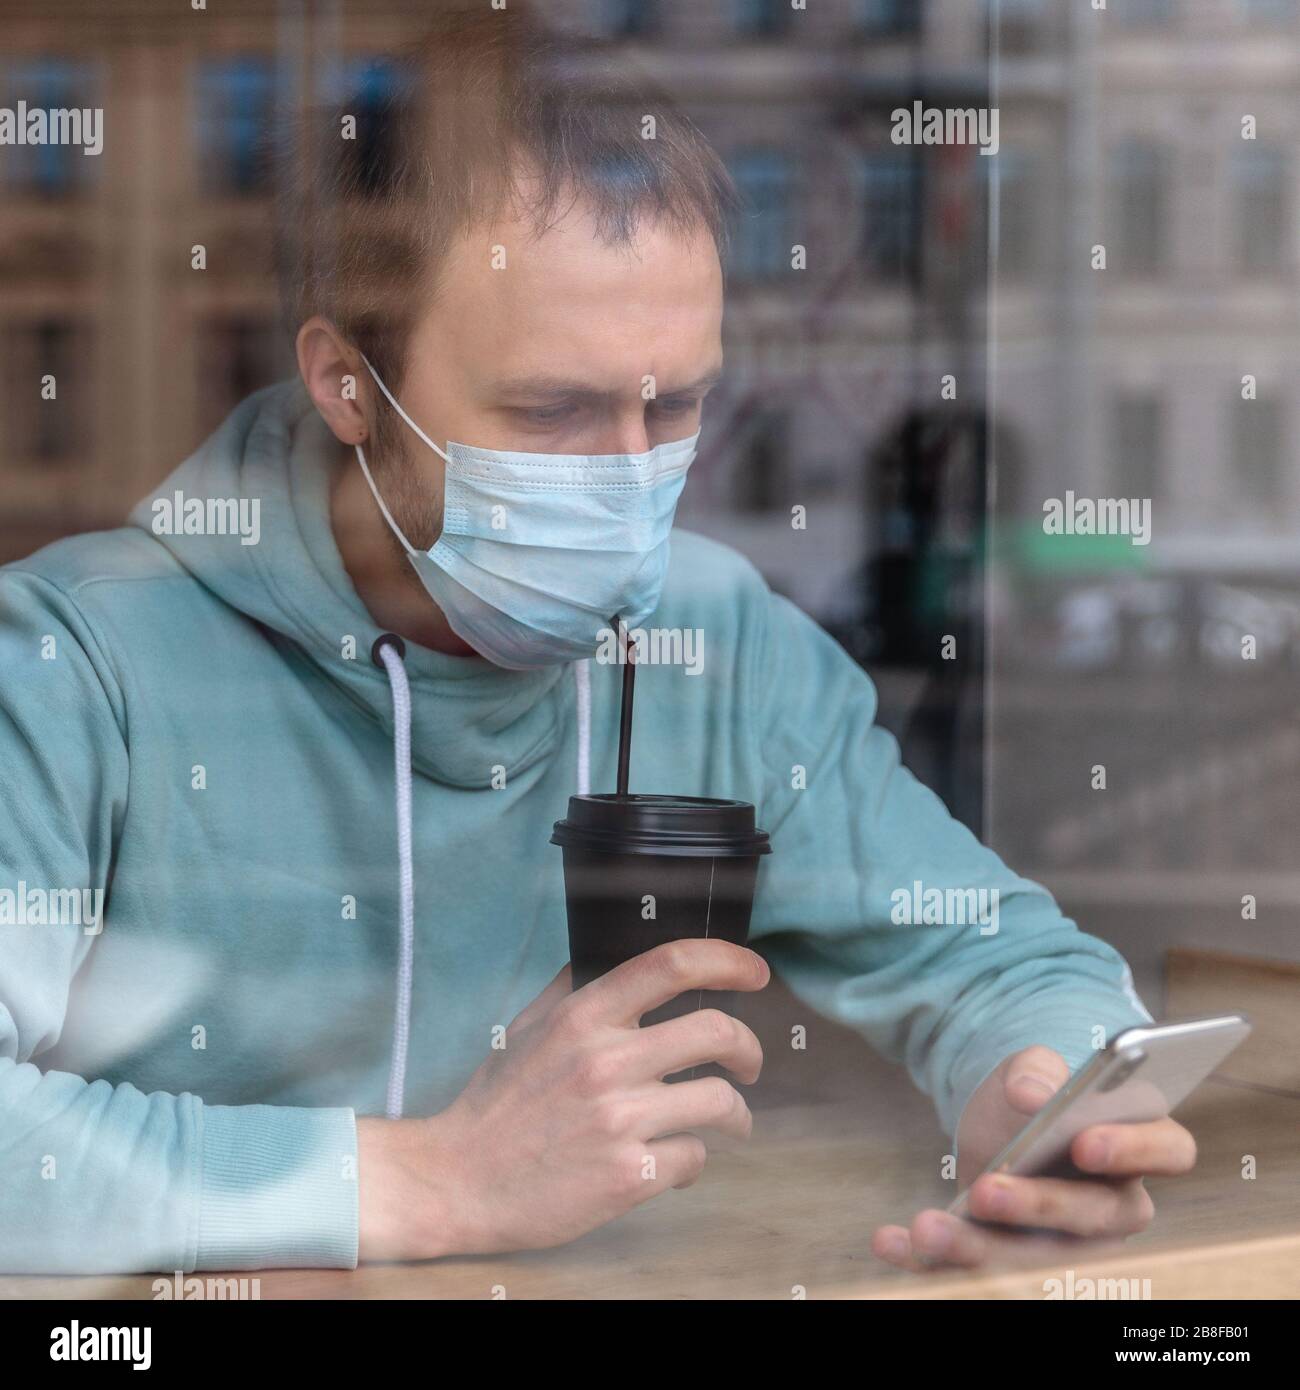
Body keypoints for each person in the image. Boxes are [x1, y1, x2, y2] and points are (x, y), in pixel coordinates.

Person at [0, 6, 1192, 1276]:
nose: (632, 483)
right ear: (348, 383)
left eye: (675, 404)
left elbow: (997, 956)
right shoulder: (75, 661)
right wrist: (429, 1181)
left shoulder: (716, 635)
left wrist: (1043, 1093)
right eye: (553, 410)